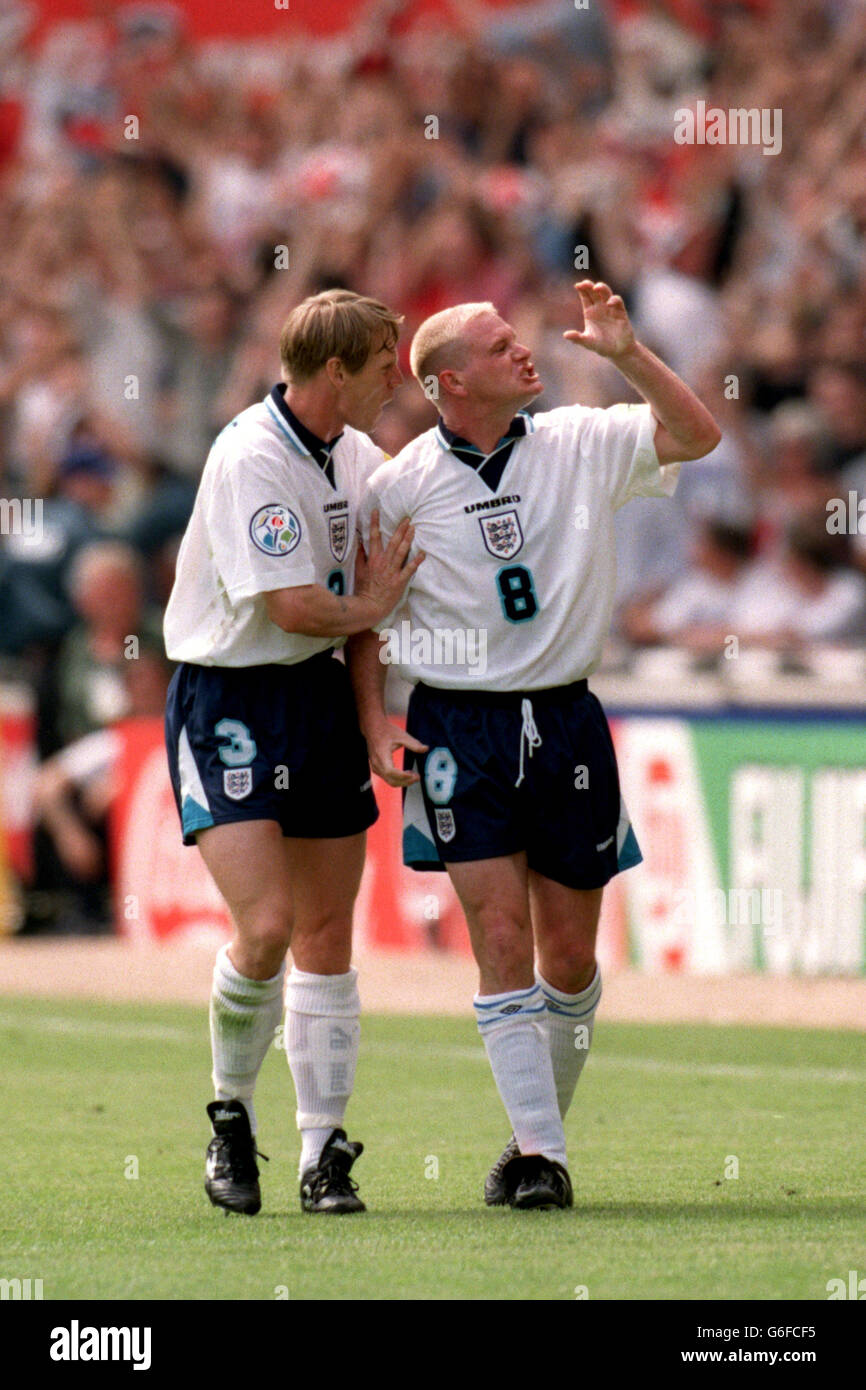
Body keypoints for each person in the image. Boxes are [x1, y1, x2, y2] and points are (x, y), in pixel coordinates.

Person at [350, 281, 720, 1210]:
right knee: (501, 936)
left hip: (565, 719)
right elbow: (366, 619)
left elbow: (698, 436)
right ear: (449, 381)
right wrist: (374, 721)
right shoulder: (400, 486)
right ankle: (543, 1157)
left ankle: (529, 1141)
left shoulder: (582, 439)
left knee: (570, 956)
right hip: (455, 728)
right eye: (500, 343)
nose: (527, 352)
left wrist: (629, 354)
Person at [163, 289, 423, 1216]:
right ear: (334, 371)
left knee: (325, 933)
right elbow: (299, 607)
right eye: (384, 361)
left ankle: (322, 1154)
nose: (397, 377)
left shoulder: (362, 459)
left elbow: (352, 621)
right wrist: (376, 606)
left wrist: (373, 719)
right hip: (230, 694)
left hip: (317, 698)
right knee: (266, 926)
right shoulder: (252, 456)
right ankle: (230, 1116)